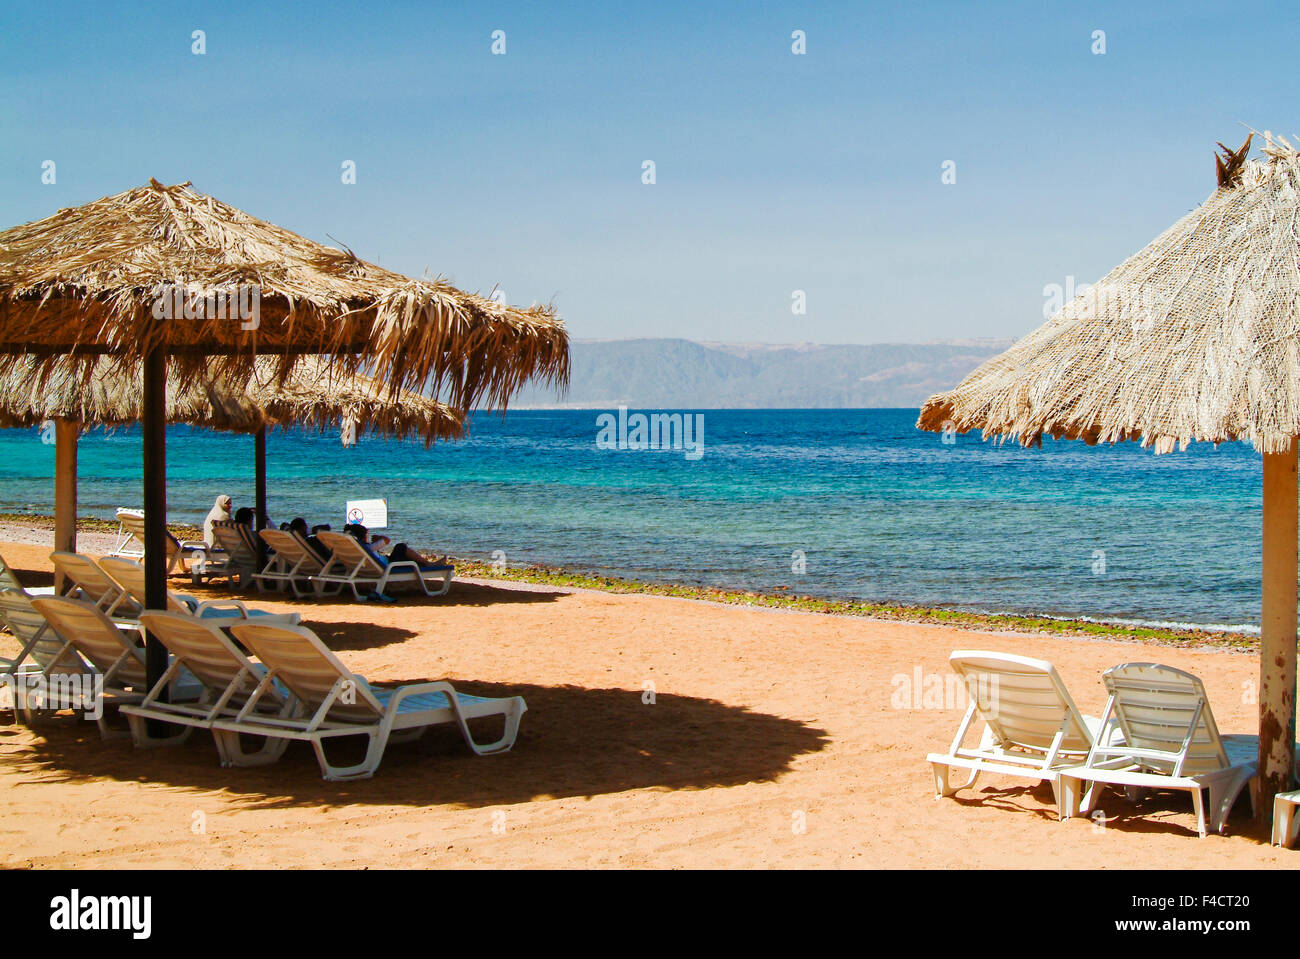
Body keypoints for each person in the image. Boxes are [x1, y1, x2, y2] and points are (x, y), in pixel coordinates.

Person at [344, 523, 448, 570]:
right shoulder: (368, 548)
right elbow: (387, 540)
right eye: (367, 534)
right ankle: (429, 564)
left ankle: (428, 564)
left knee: (404, 554)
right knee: (400, 547)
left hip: (384, 563)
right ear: (363, 536)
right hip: (388, 565)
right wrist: (379, 538)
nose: (369, 536)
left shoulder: (358, 547)